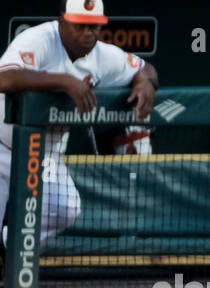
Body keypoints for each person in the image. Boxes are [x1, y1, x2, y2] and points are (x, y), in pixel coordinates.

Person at [0, 0, 156, 243]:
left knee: (65, 210)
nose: (88, 33)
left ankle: (9, 244)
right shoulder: (38, 39)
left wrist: (146, 83)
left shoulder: (102, 55)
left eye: (94, 27)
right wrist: (63, 81)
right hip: (2, 147)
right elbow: (4, 78)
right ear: (62, 21)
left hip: (43, 156)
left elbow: (145, 69)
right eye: (80, 26)